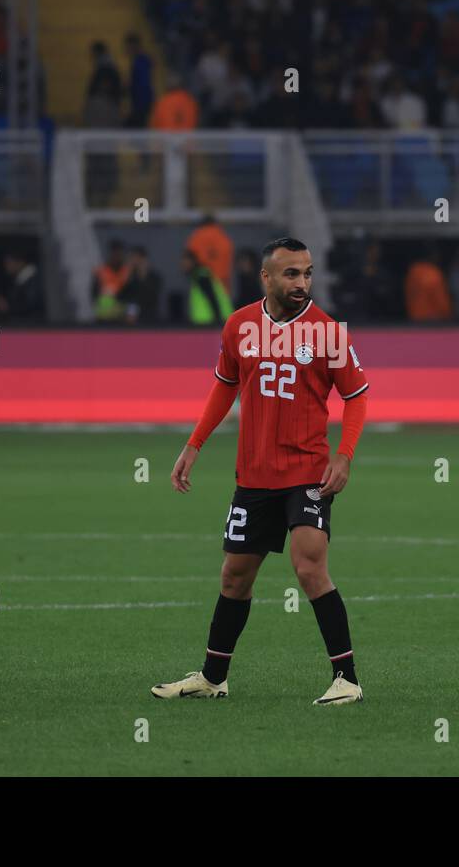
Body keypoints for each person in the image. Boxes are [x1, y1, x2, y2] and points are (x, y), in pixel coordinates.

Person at [155, 237, 370, 706]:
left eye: (308, 273)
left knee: (309, 564)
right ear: (266, 277)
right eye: (291, 274)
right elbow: (223, 388)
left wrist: (344, 455)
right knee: (235, 576)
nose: (302, 283)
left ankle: (346, 678)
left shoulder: (329, 332)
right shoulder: (239, 326)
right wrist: (193, 445)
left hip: (308, 471)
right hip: (254, 475)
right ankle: (213, 678)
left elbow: (356, 396)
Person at [181, 248, 232, 325]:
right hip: (208, 322)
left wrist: (218, 322)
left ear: (192, 261)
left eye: (185, 262)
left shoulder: (202, 276)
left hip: (210, 323)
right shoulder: (200, 275)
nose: (183, 265)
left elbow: (212, 298)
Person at [186, 212, 233, 294]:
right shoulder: (223, 238)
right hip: (222, 284)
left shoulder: (197, 237)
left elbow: (188, 261)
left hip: (203, 283)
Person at [404, 246, 452, 321]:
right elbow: (440, 298)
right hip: (432, 318)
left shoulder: (412, 271)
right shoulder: (433, 273)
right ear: (433, 256)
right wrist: (448, 314)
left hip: (414, 317)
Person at [119, 245, 161, 324]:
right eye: (132, 258)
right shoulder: (129, 277)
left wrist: (143, 274)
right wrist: (127, 276)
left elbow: (152, 296)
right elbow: (121, 296)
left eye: (136, 258)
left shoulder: (155, 277)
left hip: (149, 319)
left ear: (143, 259)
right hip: (130, 319)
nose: (134, 261)